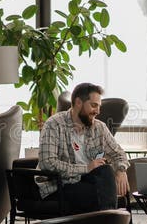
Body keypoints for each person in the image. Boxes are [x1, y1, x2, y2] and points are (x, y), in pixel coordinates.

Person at [37, 81, 130, 215]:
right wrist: (86, 168)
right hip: (60, 185)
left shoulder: (99, 127)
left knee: (105, 171)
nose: (97, 111)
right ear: (78, 102)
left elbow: (118, 153)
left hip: (89, 182)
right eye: (93, 105)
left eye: (99, 106)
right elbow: (48, 163)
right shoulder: (54, 124)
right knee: (100, 193)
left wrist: (121, 170)